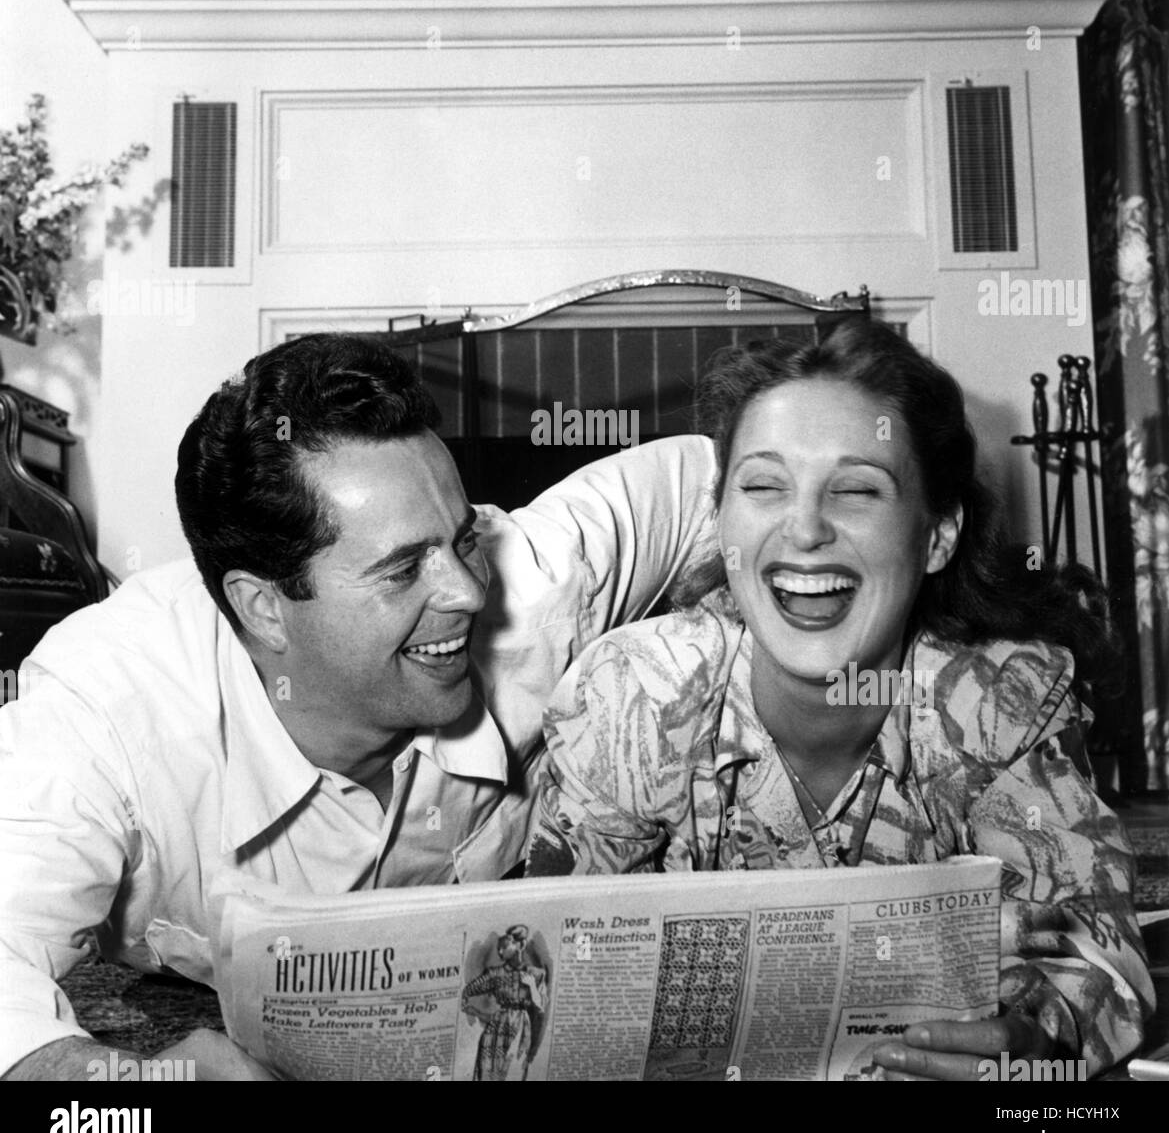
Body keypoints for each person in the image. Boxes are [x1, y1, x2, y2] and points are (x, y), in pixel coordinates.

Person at [0, 332, 715, 1080]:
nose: (468, 593)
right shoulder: (105, 707)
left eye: (460, 541)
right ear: (264, 608)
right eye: (403, 568)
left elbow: (718, 474)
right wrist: (122, 1090)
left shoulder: (534, 580)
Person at [527, 317, 1153, 1079]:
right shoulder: (630, 698)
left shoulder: (995, 704)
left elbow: (1097, 946)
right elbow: (551, 965)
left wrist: (1035, 1040)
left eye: (855, 489)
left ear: (937, 536)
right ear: (720, 518)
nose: (804, 528)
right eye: (762, 486)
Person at [461, 924, 547, 1081]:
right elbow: (467, 992)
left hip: (520, 1028)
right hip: (496, 1030)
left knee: (514, 1070)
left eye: (507, 945)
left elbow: (540, 1006)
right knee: (489, 1073)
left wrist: (532, 986)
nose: (500, 950)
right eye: (500, 946)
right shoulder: (495, 974)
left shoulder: (535, 974)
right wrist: (477, 1012)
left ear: (521, 945)